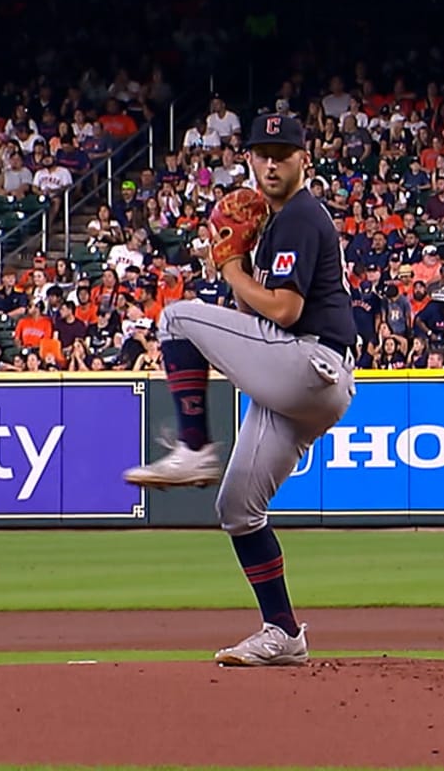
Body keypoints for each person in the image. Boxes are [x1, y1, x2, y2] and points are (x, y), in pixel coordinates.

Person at [122, 114, 356, 667]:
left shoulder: (300, 216)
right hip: (304, 382)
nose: (271, 163)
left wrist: (227, 267)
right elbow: (258, 318)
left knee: (176, 318)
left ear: (304, 160)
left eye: (282, 153)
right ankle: (284, 633)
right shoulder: (276, 226)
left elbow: (286, 311)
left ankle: (194, 447)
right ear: (248, 158)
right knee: (237, 508)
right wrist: (244, 264)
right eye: (262, 153)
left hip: (310, 364)